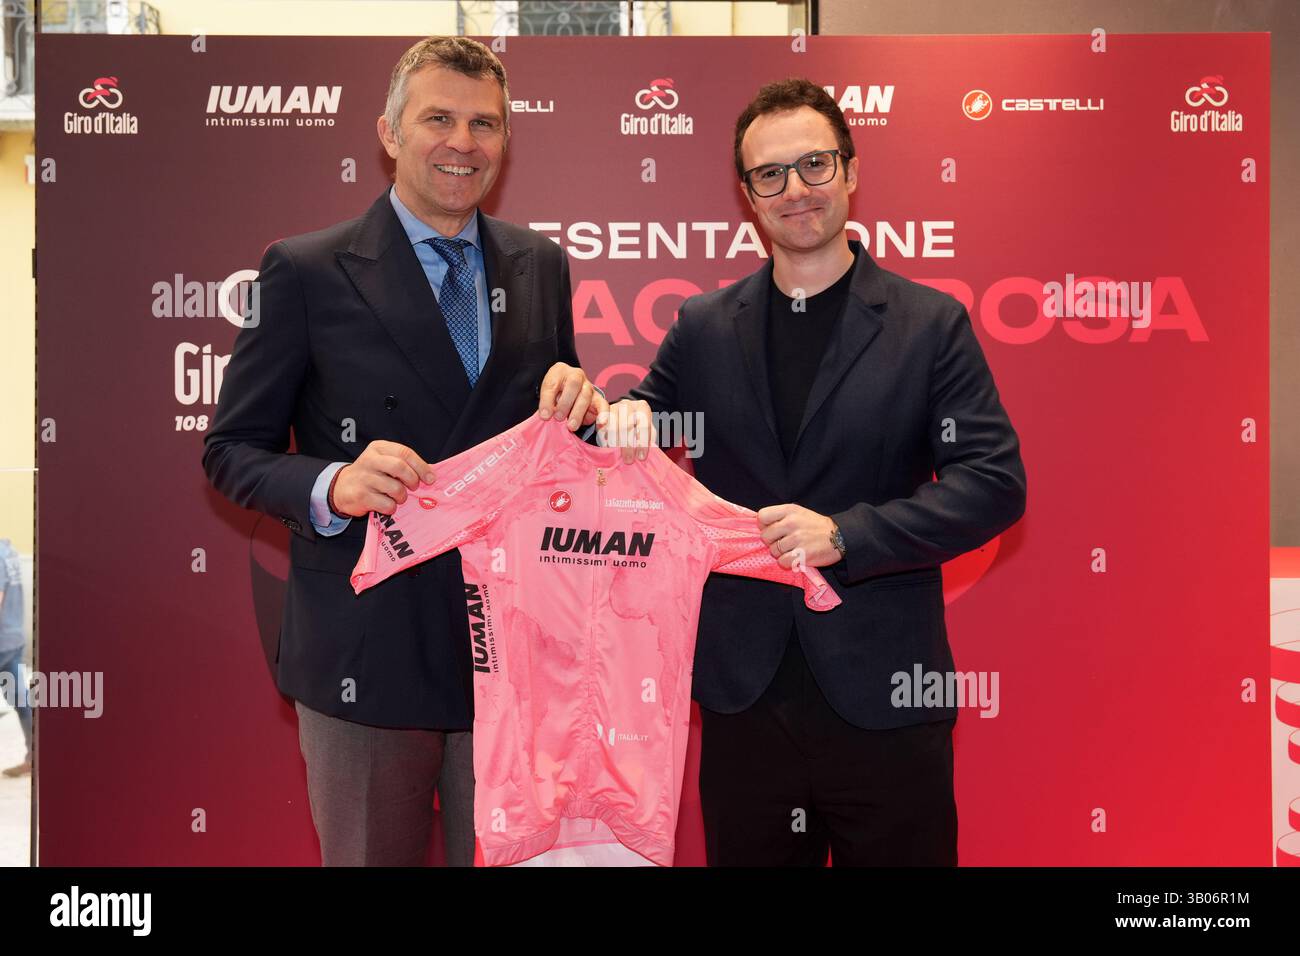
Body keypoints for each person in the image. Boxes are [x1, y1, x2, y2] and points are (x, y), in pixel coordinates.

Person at [202, 36, 607, 866]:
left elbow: (553, 448)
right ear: (389, 132)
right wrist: (333, 483)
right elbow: (231, 451)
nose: (464, 142)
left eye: (484, 124)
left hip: (511, 653)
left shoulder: (540, 264)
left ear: (505, 140)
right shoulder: (306, 270)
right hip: (365, 650)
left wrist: (586, 412)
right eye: (438, 118)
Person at [606, 78, 1027, 865]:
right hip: (745, 699)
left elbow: (994, 483)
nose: (795, 190)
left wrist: (846, 534)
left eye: (814, 166)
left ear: (851, 171)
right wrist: (616, 413)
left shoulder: (929, 325)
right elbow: (644, 417)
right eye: (771, 174)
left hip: (888, 698)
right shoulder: (702, 327)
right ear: (748, 196)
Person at [0, 537, 31, 778]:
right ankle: (35, 757)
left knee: (20, 700)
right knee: (21, 700)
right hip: (14, 636)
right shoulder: (8, 551)